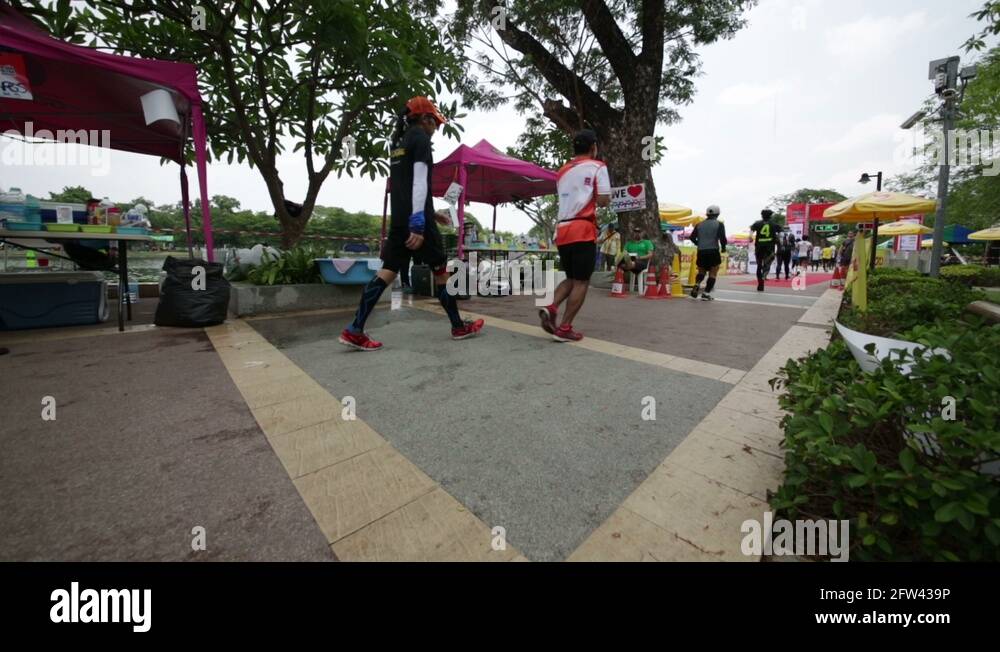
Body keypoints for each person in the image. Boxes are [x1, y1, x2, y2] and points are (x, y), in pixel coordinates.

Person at [339, 96, 484, 351]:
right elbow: (419, 181)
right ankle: (458, 326)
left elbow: (405, 186)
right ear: (426, 119)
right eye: (435, 123)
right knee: (441, 271)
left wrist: (428, 212)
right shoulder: (420, 140)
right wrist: (419, 222)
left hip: (401, 219)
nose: (436, 129)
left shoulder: (398, 143)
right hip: (419, 223)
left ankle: (355, 329)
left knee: (387, 271)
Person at [537, 129, 611, 342]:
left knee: (571, 277)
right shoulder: (598, 166)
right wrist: (599, 198)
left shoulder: (562, 171)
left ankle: (550, 306)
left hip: (562, 230)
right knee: (581, 281)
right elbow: (604, 199)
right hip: (582, 228)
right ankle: (565, 328)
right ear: (593, 147)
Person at [689, 205, 728, 301]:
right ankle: (706, 293)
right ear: (718, 214)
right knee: (713, 273)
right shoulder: (719, 224)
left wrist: (698, 243)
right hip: (713, 251)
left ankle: (697, 284)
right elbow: (722, 238)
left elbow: (692, 237)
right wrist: (723, 248)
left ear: (707, 214)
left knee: (701, 271)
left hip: (701, 251)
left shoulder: (699, 224)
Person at [750, 209, 781, 291]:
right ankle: (764, 276)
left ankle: (760, 282)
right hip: (769, 248)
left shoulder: (757, 223)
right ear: (770, 216)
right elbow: (780, 232)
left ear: (762, 215)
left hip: (759, 247)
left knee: (759, 265)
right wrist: (777, 240)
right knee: (767, 264)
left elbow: (751, 230)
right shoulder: (774, 224)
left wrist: (750, 237)